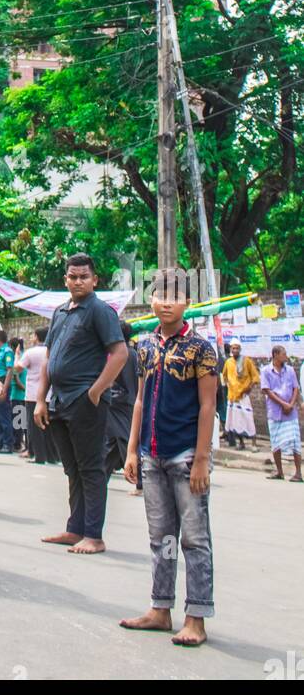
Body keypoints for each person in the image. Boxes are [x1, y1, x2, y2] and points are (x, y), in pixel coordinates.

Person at [120, 269, 218, 647]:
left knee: (194, 539)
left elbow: (208, 406)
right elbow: (140, 401)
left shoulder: (201, 348)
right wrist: (132, 450)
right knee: (161, 538)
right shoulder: (145, 347)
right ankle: (160, 609)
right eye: (159, 294)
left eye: (174, 296)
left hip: (185, 456)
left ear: (187, 303)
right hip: (151, 455)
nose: (165, 302)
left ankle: (197, 617)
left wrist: (202, 460)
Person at [35, 253, 127, 554]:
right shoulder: (61, 312)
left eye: (83, 276)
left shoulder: (100, 311)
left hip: (85, 401)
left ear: (94, 280)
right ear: (65, 280)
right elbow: (49, 359)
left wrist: (96, 391)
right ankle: (75, 529)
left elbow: (120, 353)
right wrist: (40, 400)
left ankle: (94, 535)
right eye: (72, 277)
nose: (77, 281)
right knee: (72, 468)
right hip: (59, 402)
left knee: (91, 468)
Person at [260, 345, 302, 481]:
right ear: (275, 355)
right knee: (276, 442)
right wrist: (283, 404)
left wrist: (290, 404)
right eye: (283, 354)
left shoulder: (289, 370)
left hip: (290, 412)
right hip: (275, 411)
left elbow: (296, 388)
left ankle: (298, 473)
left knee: (295, 442)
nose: (286, 356)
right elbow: (267, 390)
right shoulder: (266, 371)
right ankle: (280, 471)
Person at [104, 320, 138, 481]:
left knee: (122, 437)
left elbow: (113, 378)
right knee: (112, 440)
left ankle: (138, 479)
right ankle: (101, 476)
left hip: (118, 400)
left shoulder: (120, 353)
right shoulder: (133, 353)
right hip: (128, 400)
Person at [22, 328, 57, 464]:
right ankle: (52, 456)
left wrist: (18, 356)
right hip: (50, 394)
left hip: (33, 395)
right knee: (49, 427)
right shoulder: (53, 351)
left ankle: (39, 456)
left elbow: (18, 367)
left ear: (36, 337)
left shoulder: (30, 352)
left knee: (35, 427)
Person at [221, 339, 259, 450]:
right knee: (236, 421)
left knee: (248, 418)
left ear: (240, 349)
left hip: (243, 396)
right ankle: (241, 443)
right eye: (233, 348)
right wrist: (228, 386)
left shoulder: (246, 361)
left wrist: (249, 388)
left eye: (237, 348)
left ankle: (254, 444)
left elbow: (255, 377)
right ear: (231, 350)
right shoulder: (228, 362)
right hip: (232, 396)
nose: (235, 350)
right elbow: (224, 376)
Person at [0, 328, 15, 454]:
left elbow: (10, 370)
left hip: (3, 382)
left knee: (4, 415)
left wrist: (4, 390)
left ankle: (7, 443)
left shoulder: (7, 351)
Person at [9, 336, 27, 452]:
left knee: (17, 421)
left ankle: (17, 444)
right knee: (22, 421)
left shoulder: (19, 358)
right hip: (24, 394)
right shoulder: (26, 355)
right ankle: (20, 443)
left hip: (17, 393)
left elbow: (16, 377)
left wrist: (23, 388)